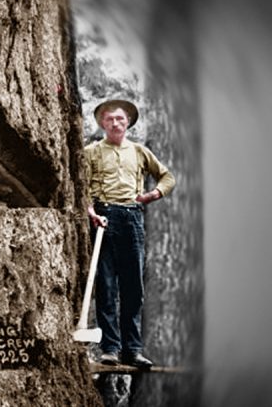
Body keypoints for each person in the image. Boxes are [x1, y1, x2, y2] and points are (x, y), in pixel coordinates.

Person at [84, 99, 176, 368]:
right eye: (110, 119)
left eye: (120, 119)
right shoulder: (90, 152)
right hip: (104, 218)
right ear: (102, 123)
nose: (115, 123)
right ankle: (110, 348)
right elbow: (82, 187)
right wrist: (91, 213)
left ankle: (132, 350)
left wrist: (151, 195)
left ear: (128, 123)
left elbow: (167, 177)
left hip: (133, 218)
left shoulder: (139, 151)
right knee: (107, 285)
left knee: (133, 286)